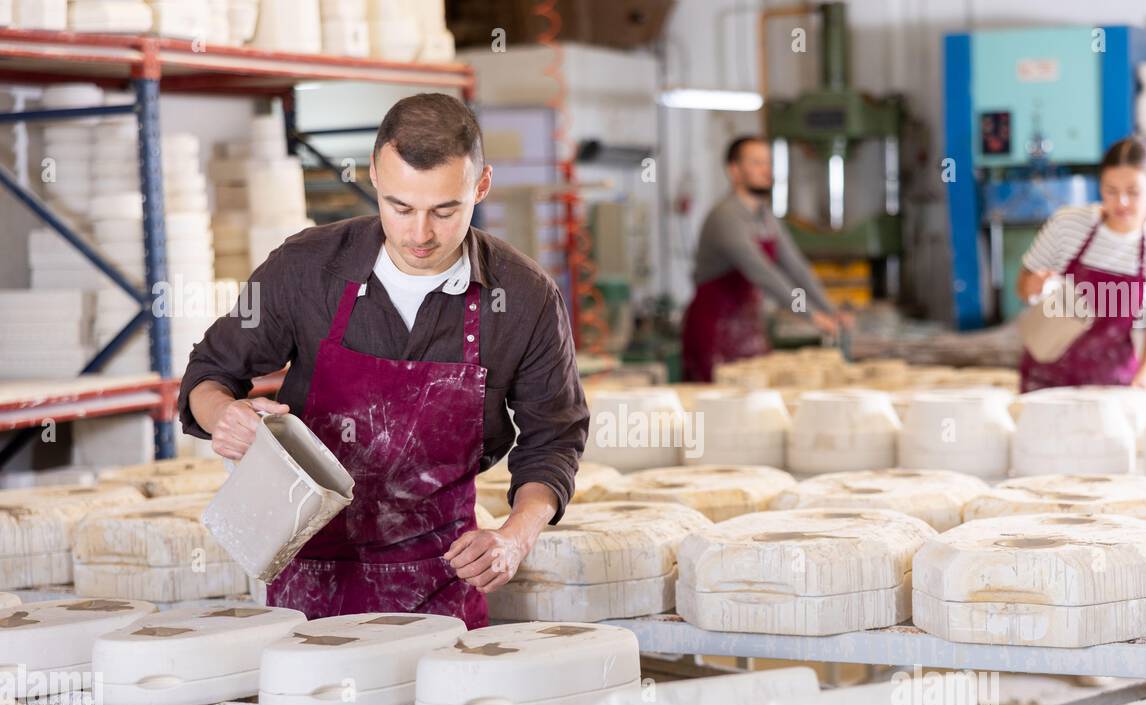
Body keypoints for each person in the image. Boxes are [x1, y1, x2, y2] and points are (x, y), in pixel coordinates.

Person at [178, 93, 588, 626]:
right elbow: (208, 375)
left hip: (442, 580)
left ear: (481, 186)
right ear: (373, 174)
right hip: (308, 577)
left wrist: (514, 536)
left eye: (445, 210)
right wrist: (224, 416)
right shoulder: (305, 269)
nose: (420, 234)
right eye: (400, 207)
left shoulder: (524, 297)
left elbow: (553, 438)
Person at [1016, 135, 1146, 391]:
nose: (1121, 202)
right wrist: (1034, 285)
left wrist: (1143, 382)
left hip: (1111, 386)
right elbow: (1022, 288)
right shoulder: (1067, 225)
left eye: (1133, 192)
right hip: (1045, 381)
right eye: (1111, 191)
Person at [681, 135, 853, 382]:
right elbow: (763, 273)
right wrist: (812, 316)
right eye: (756, 162)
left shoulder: (766, 217)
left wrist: (830, 310)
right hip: (714, 328)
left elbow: (796, 268)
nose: (766, 170)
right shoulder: (725, 217)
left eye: (768, 163)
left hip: (747, 326)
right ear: (734, 171)